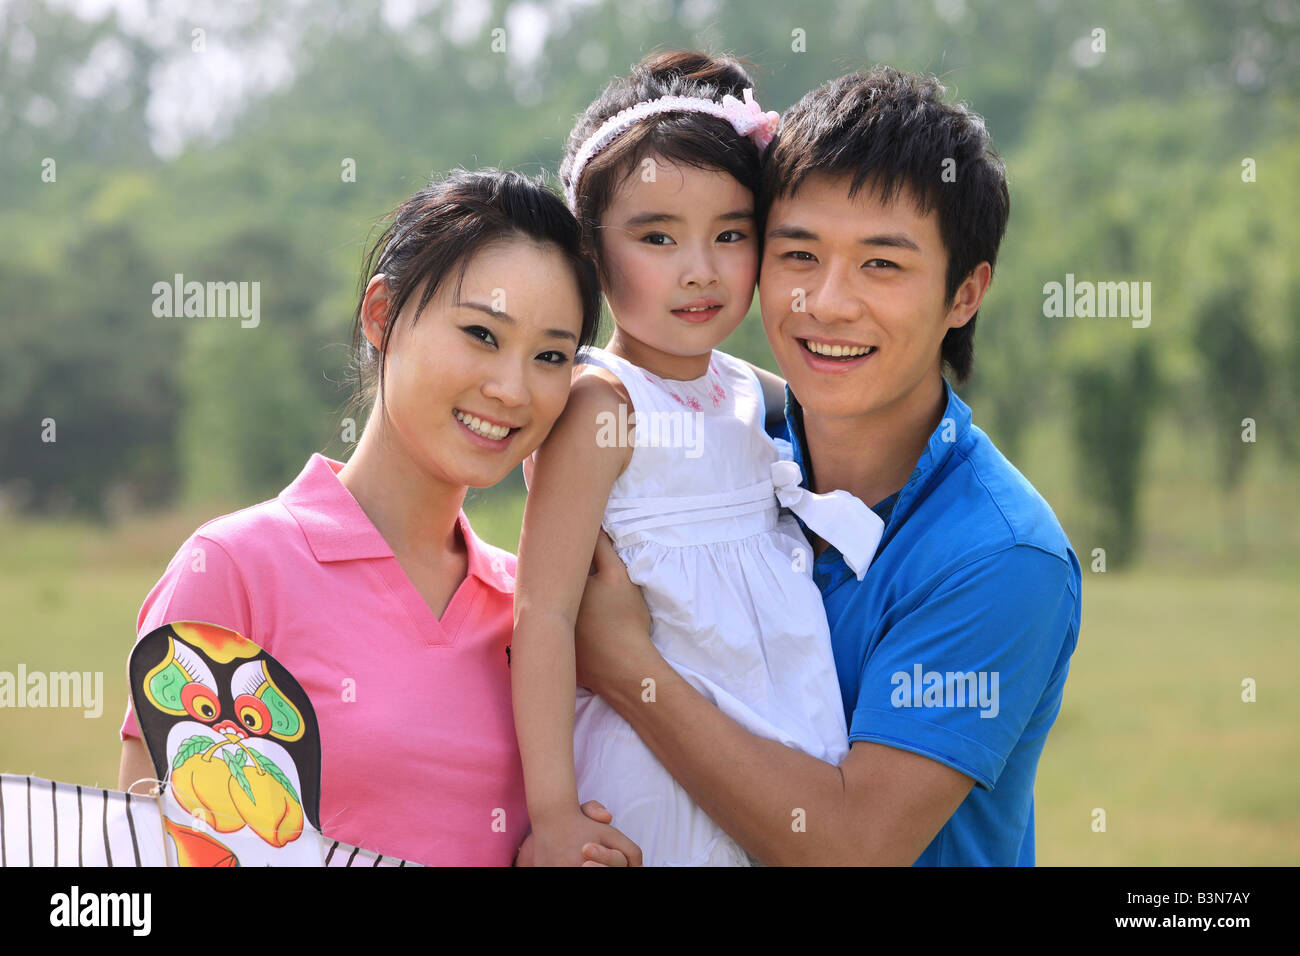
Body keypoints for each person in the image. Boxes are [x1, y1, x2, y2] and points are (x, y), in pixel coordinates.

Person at [563, 67, 1083, 866]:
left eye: (882, 265)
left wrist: (627, 667)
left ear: (965, 293)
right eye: (798, 253)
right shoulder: (737, 443)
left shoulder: (998, 556)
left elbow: (849, 847)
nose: (827, 303)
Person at [116, 169, 632, 866]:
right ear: (382, 316)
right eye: (482, 333)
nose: (512, 389)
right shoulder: (235, 569)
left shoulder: (535, 608)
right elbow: (143, 865)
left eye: (549, 356)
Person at [511, 51, 882, 867]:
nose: (699, 270)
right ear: (593, 252)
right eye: (657, 237)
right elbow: (540, 615)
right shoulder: (601, 407)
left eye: (730, 235)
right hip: (652, 761)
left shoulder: (751, 391)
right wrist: (554, 812)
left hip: (773, 747)